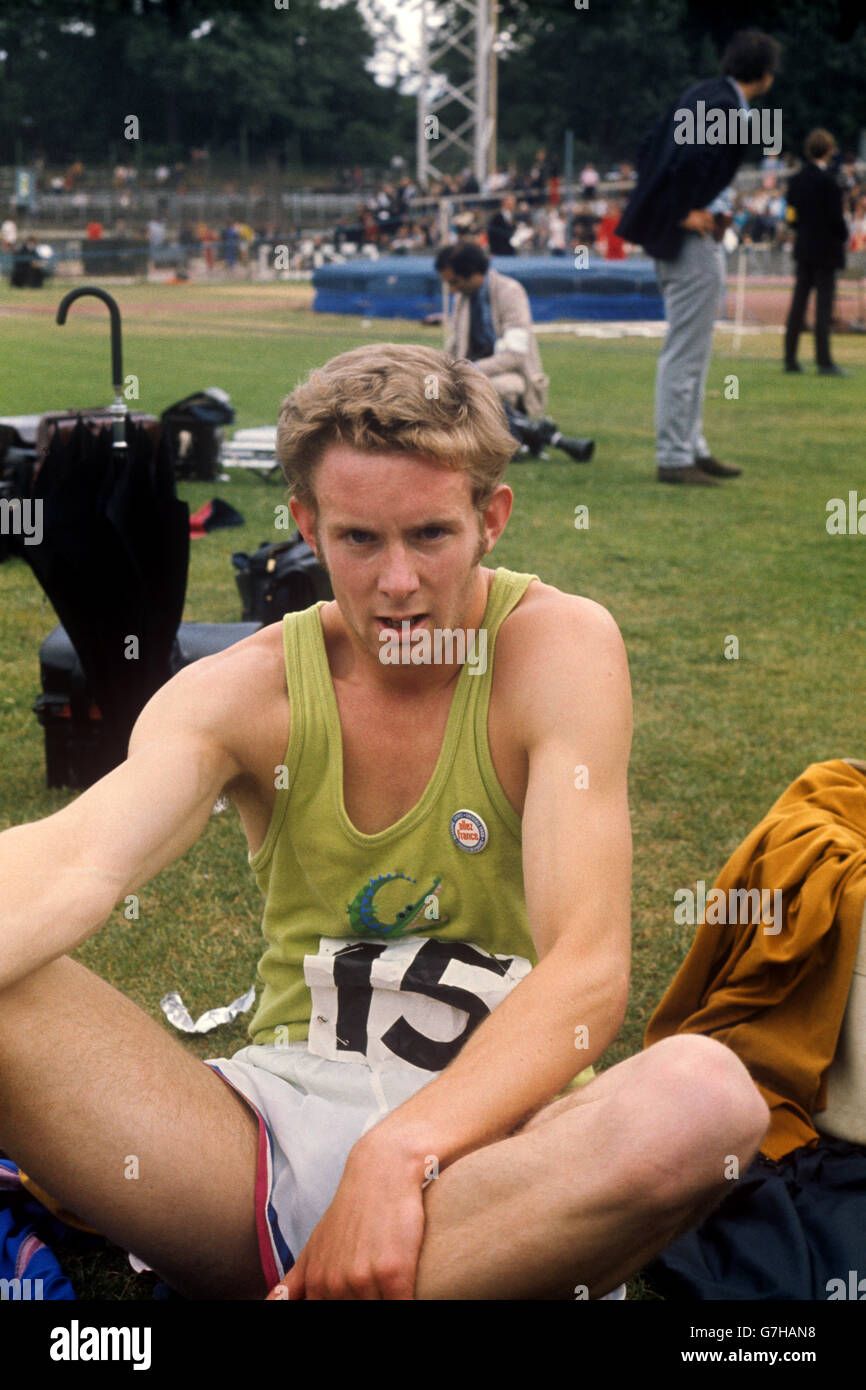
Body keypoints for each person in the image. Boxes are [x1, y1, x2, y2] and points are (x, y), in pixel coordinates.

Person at [0, 344, 769, 1301]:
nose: (397, 583)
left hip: (503, 1152)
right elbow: (77, 863)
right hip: (266, 1142)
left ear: (492, 519)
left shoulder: (558, 649)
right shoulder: (240, 693)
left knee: (704, 1096)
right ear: (308, 527)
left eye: (430, 536)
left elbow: (587, 971)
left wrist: (401, 1152)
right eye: (360, 540)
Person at [616, 29, 781, 486]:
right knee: (687, 352)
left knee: (694, 349)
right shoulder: (728, 107)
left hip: (678, 238)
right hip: (688, 241)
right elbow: (691, 159)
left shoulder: (699, 94)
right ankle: (674, 455)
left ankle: (691, 446)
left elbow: (650, 146)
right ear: (765, 75)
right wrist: (684, 211)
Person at [434, 240, 595, 463]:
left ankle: (511, 438)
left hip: (513, 377)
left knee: (485, 389)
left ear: (474, 274)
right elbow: (454, 346)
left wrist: (471, 370)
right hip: (473, 373)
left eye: (455, 282)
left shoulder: (510, 292)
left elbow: (515, 355)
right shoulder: (463, 296)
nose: (452, 289)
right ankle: (523, 436)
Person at [783, 130, 850, 377]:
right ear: (829, 150)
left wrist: (801, 230)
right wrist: (842, 236)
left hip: (804, 247)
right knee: (823, 307)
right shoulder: (830, 182)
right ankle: (824, 360)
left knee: (798, 304)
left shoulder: (796, 180)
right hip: (827, 250)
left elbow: (791, 215)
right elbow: (836, 219)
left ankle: (790, 358)